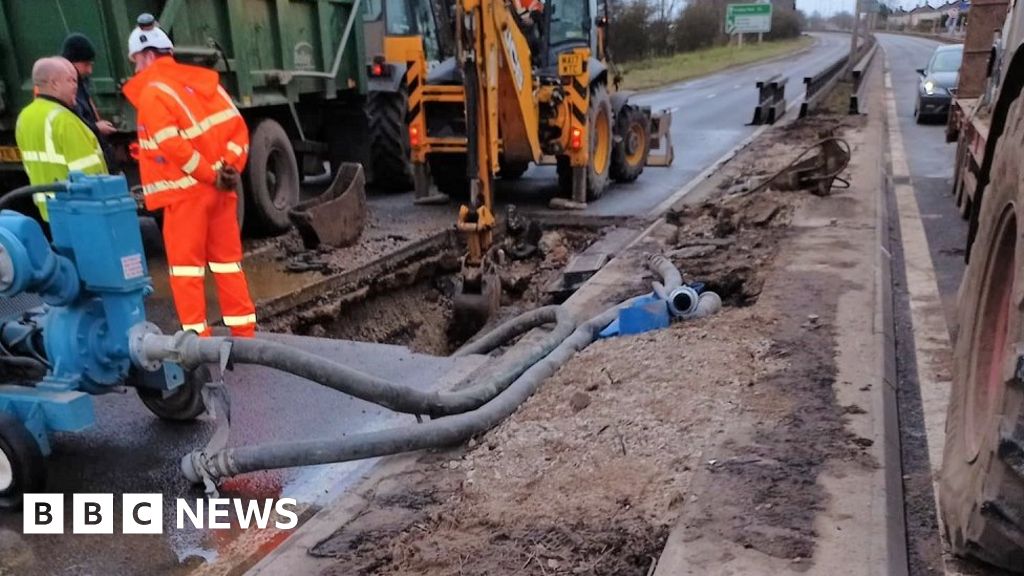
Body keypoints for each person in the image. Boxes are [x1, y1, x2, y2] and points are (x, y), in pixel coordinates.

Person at [122, 16, 256, 338]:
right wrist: (230, 169)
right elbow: (237, 129)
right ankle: (245, 333)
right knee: (227, 264)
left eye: (137, 62)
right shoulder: (207, 85)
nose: (136, 70)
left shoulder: (154, 92)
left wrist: (209, 174)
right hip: (222, 192)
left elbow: (172, 146)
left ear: (149, 56)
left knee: (186, 271)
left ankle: (197, 340)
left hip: (186, 197)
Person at [15, 57, 108, 221]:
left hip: (50, 212)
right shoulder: (64, 121)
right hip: (83, 215)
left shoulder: (24, 118)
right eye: (70, 80)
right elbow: (90, 177)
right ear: (54, 84)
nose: (75, 86)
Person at [61, 33, 118, 170]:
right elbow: (71, 123)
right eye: (86, 64)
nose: (90, 70)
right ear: (71, 62)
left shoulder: (80, 83)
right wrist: (96, 128)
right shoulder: (66, 89)